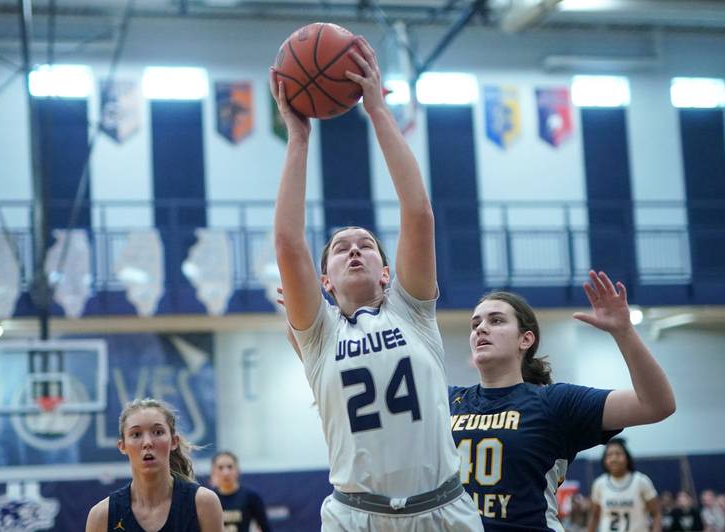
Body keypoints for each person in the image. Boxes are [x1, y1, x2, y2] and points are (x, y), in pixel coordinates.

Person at [270, 36, 483, 531]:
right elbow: (287, 242)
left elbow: (418, 213)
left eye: (365, 244)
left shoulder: (412, 312)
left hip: (444, 510)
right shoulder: (320, 336)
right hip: (356, 517)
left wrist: (379, 112)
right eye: (341, 248)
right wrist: (298, 139)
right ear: (325, 281)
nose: (354, 249)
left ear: (387, 272)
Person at [450, 270, 676, 531]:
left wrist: (624, 332)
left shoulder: (554, 402)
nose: (481, 328)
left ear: (526, 339)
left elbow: (657, 405)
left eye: (496, 320)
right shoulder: (448, 400)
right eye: (475, 324)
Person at [85, 398, 224, 532]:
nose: (147, 442)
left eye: (158, 432)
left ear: (174, 441)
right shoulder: (102, 515)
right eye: (136, 434)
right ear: (122, 446)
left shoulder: (204, 504)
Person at [587, 438, 661, 532]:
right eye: (609, 455)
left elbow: (656, 514)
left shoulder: (641, 481)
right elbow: (594, 516)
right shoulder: (599, 484)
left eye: (618, 454)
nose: (614, 458)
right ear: (604, 460)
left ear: (627, 457)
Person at [210, 451, 272, 532]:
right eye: (220, 468)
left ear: (238, 470)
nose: (226, 472)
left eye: (230, 467)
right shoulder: (209, 498)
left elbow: (265, 527)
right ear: (213, 471)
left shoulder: (251, 496)